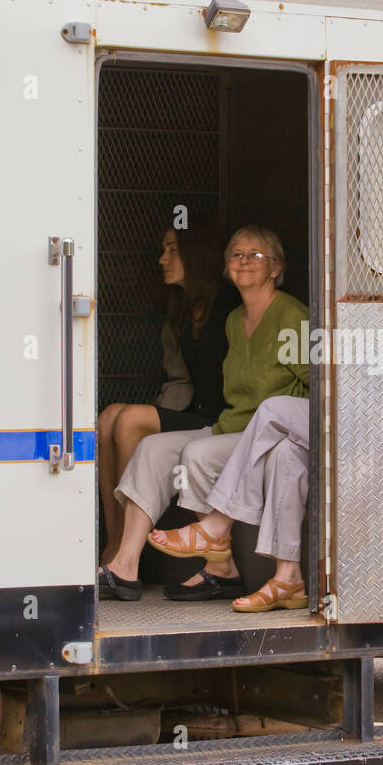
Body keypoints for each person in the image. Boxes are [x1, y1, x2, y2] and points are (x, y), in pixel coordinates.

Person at [98, 226, 309, 601]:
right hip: (231, 428)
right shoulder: (233, 320)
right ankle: (124, 566)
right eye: (237, 255)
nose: (244, 262)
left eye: (256, 256)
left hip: (271, 436)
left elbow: (319, 388)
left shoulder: (291, 315)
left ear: (275, 267)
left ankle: (218, 558)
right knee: (153, 449)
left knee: (195, 453)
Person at [96, 227, 238, 568]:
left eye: (172, 250)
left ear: (196, 255)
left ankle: (129, 553)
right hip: (196, 409)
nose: (163, 258)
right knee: (109, 416)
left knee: (130, 419)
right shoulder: (186, 306)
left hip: (219, 418)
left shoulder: (226, 306)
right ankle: (114, 542)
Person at [147, 395, 310, 609]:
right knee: (285, 452)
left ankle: (216, 528)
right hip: (336, 407)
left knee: (273, 408)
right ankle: (289, 577)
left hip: (359, 417)